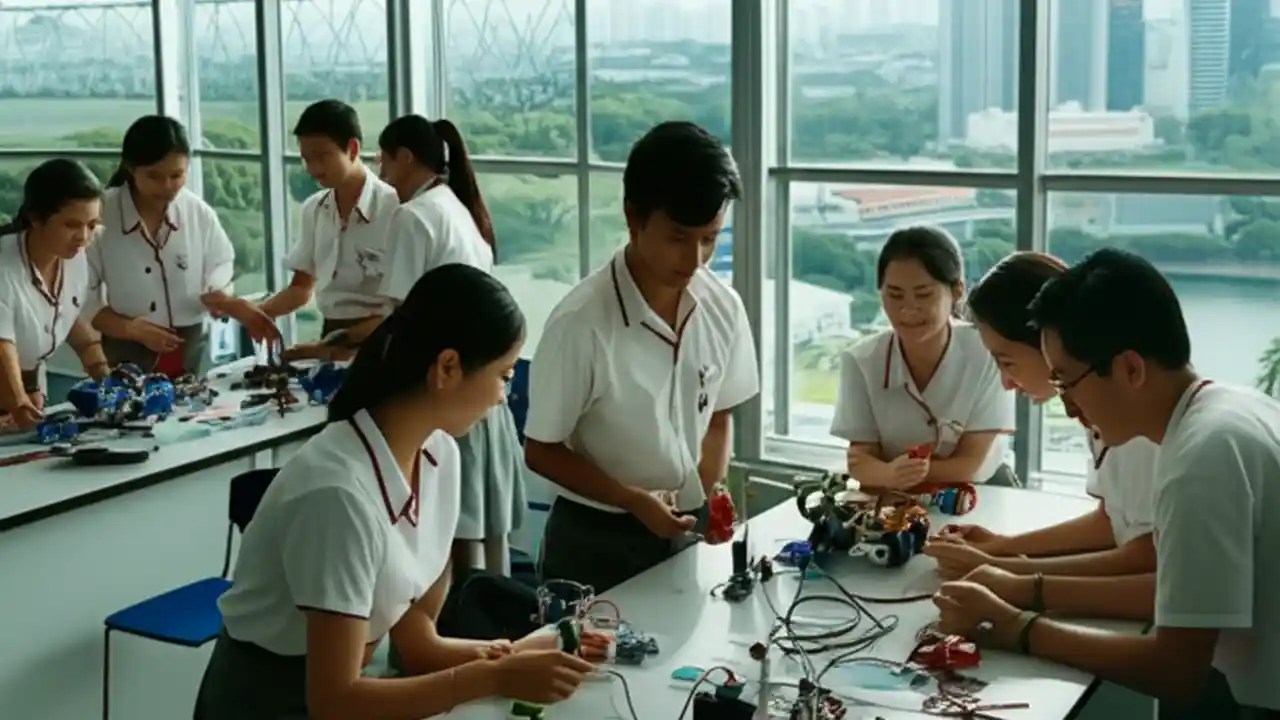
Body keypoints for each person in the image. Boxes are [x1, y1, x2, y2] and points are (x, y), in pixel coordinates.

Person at [194, 264, 602, 720]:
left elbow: (418, 645)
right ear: (448, 368)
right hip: (266, 701)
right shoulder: (338, 496)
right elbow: (335, 701)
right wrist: (493, 676)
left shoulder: (441, 457)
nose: (503, 396)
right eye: (503, 376)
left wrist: (522, 654)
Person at [933, 249, 1280, 719]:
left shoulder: (1197, 463)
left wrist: (1017, 625)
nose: (1069, 406)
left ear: (1131, 369)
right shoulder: (1230, 409)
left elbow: (1176, 670)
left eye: (1066, 382)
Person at [523, 121, 760, 593]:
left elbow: (719, 414)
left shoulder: (722, 306)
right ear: (634, 217)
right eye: (679, 237)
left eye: (710, 238)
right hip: (595, 537)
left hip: (682, 524)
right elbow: (541, 451)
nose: (696, 259)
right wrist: (633, 500)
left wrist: (707, 493)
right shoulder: (581, 322)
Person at [923, 251, 1158, 622]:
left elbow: (1149, 554)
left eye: (1007, 361)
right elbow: (1113, 523)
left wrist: (1007, 571)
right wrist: (1003, 547)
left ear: (1048, 342)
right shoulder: (1097, 408)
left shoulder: (1133, 424)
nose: (1004, 380)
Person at [373, 113, 524, 578]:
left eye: (384, 160)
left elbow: (400, 319)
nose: (382, 174)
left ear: (404, 157)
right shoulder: (458, 208)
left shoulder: (414, 216)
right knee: (484, 535)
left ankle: (453, 637)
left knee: (452, 532)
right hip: (482, 385)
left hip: (450, 389)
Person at [87, 115, 277, 378]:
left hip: (189, 344)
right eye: (154, 176)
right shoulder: (101, 216)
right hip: (126, 348)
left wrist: (218, 294)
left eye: (177, 175)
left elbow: (221, 262)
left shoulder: (197, 212)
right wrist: (132, 329)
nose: (167, 187)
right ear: (131, 168)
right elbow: (83, 298)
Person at [831, 226, 1016, 490]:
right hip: (895, 495)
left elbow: (972, 463)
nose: (908, 308)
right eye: (894, 295)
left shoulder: (986, 351)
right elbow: (860, 459)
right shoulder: (861, 361)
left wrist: (893, 470)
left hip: (982, 490)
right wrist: (887, 476)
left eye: (923, 294)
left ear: (957, 291)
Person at [258, 99, 398, 360]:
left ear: (352, 149)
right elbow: (301, 289)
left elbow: (406, 307)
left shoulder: (394, 209)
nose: (313, 169)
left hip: (382, 338)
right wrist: (260, 312)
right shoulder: (314, 209)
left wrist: (334, 346)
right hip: (330, 332)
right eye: (306, 159)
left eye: (322, 156)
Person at [0, 160, 111, 429]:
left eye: (92, 224)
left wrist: (98, 365)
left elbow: (64, 310)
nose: (83, 237)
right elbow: (1, 344)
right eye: (72, 225)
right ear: (36, 218)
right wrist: (18, 402)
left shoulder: (74, 256)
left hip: (28, 384)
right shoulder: (3, 265)